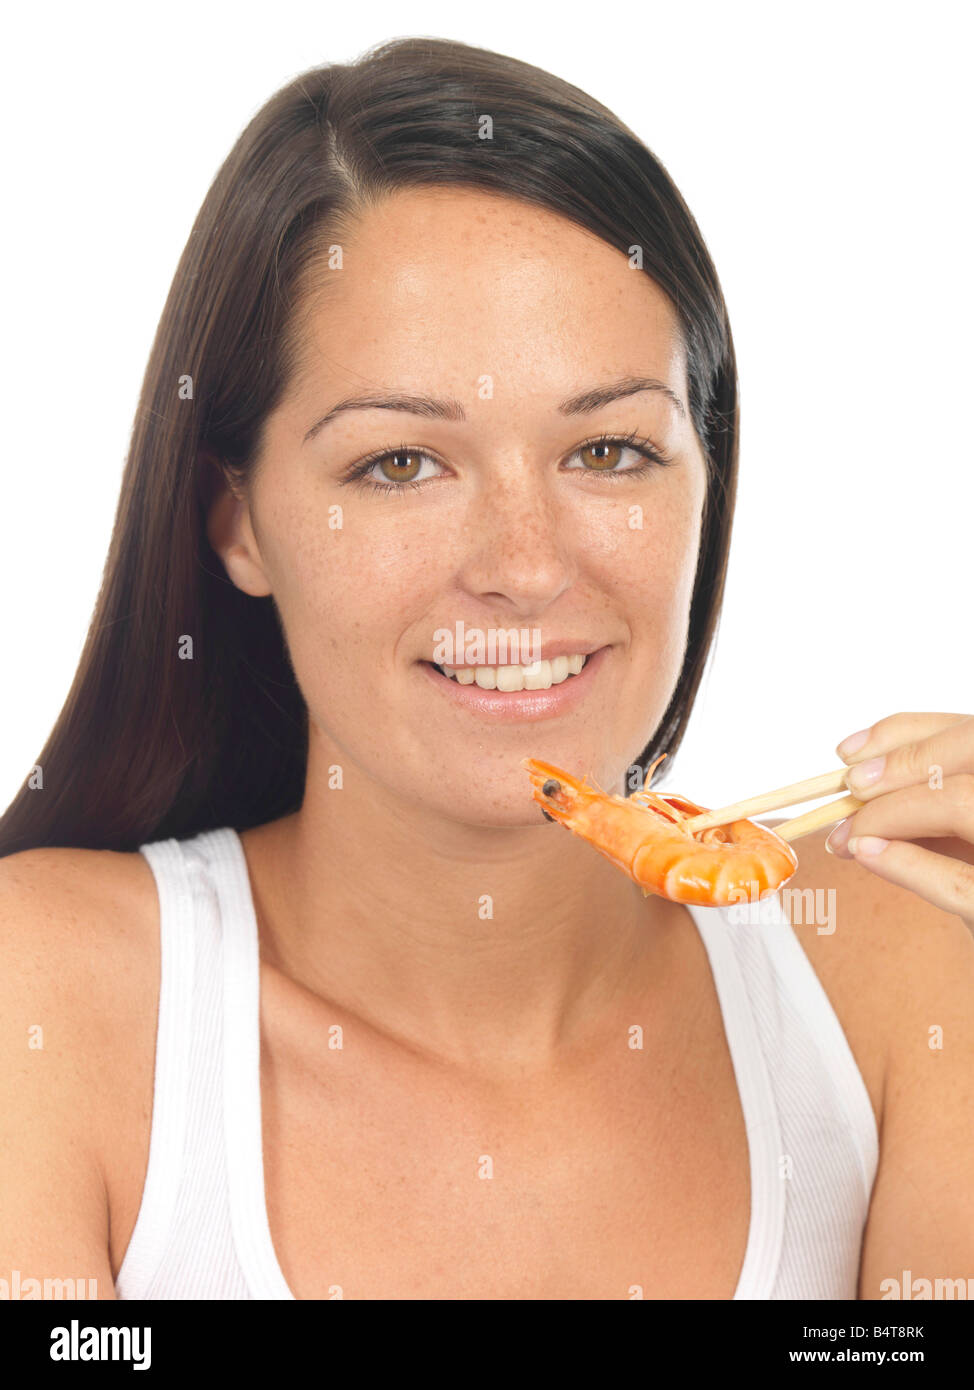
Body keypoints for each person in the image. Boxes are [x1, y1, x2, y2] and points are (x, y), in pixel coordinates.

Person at [1, 37, 972, 1301]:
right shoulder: (48, 997)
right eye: (400, 463)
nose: (523, 566)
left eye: (611, 450)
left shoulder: (906, 968)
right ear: (235, 519)